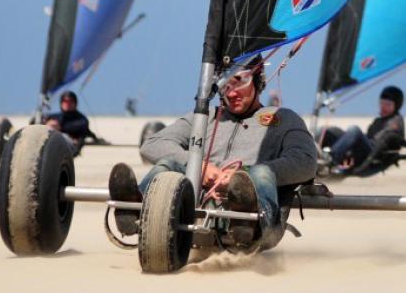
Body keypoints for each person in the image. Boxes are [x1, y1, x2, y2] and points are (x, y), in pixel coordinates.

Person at [108, 56, 318, 238]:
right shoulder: (203, 118)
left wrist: (244, 173)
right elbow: (152, 144)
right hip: (194, 201)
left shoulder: (284, 119)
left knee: (261, 173)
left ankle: (245, 223)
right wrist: (199, 166)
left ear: (257, 77)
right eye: (226, 85)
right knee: (168, 164)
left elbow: (306, 161)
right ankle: (133, 208)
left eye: (239, 82)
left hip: (253, 200)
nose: (232, 92)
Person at [318, 86, 406, 172]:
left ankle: (330, 159)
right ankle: (313, 155)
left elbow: (382, 142)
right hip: (365, 148)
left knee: (354, 130)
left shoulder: (396, 121)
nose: (383, 107)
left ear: (397, 106)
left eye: (388, 105)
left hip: (372, 153)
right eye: (381, 103)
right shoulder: (378, 121)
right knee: (329, 131)